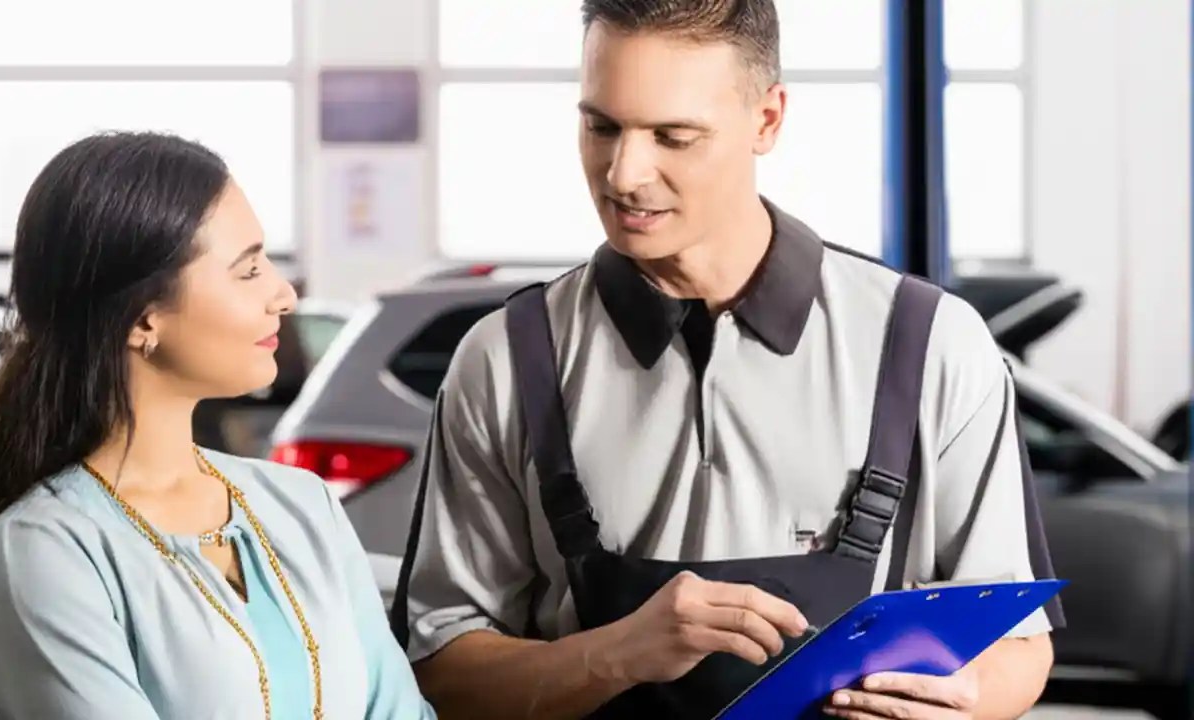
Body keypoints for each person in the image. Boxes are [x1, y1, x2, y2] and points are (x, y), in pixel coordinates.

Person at [393, 1, 1065, 718]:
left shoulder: (930, 343)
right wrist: (615, 653)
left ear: (767, 120)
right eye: (602, 126)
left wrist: (967, 704)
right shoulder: (505, 359)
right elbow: (441, 667)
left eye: (673, 136)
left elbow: (1017, 644)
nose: (624, 173)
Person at [0, 132, 436, 720]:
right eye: (247, 271)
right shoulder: (48, 550)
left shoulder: (303, 505)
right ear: (143, 318)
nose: (283, 295)